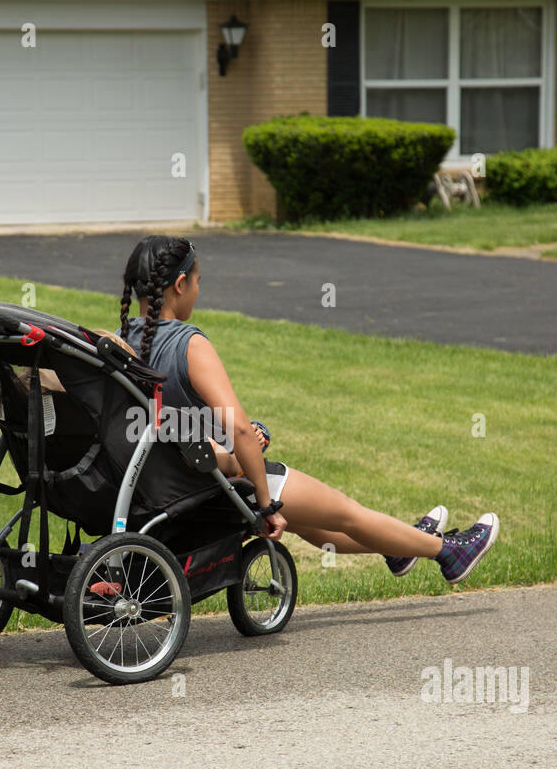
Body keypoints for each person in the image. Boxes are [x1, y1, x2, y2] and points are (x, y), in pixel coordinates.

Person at [117, 234, 500, 583]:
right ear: (180, 284)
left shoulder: (123, 342)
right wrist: (267, 506)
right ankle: (449, 552)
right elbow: (239, 432)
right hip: (219, 486)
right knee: (349, 513)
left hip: (170, 485)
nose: (199, 290)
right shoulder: (189, 344)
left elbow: (170, 423)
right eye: (198, 281)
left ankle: (400, 544)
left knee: (318, 525)